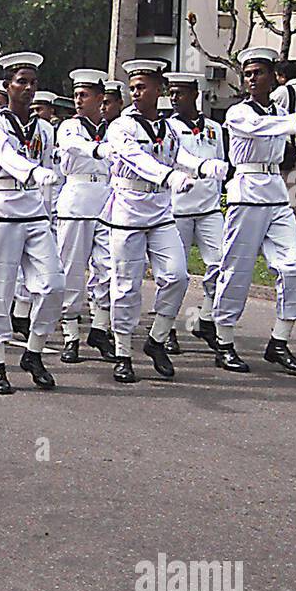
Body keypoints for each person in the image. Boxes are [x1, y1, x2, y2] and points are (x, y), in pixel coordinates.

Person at [100, 59, 218, 384]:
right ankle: (123, 352)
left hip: (160, 210)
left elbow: (180, 155)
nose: (136, 93)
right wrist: (169, 176)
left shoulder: (168, 127)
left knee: (178, 276)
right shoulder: (121, 126)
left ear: (159, 90)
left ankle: (157, 339)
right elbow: (136, 159)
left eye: (142, 87)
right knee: (126, 286)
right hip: (128, 210)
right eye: (132, 87)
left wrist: (206, 167)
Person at [213, 47, 296, 375]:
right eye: (247, 74)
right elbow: (262, 127)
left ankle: (279, 341)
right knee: (237, 270)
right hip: (247, 190)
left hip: (275, 191)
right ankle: (223, 341)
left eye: (258, 73)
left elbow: (281, 128)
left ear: (272, 76)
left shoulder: (279, 109)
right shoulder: (238, 112)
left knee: (295, 267)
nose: (251, 79)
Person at [0, 51, 64, 394]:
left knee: (53, 285)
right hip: (2, 207)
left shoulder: (44, 127)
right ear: (6, 86)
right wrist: (32, 172)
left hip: (35, 210)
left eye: (33, 82)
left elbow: (47, 167)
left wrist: (48, 207)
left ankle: (34, 351)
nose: (28, 88)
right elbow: (5, 156)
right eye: (21, 82)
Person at [53, 68, 115, 363]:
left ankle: (100, 328)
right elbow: (71, 146)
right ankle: (70, 333)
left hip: (105, 199)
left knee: (108, 267)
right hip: (77, 199)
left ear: (100, 99)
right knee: (72, 269)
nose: (78, 100)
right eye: (76, 95)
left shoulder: (112, 128)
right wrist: (98, 150)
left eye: (84, 95)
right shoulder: (70, 127)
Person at [165, 72, 227, 354]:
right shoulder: (166, 128)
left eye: (180, 92)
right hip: (177, 209)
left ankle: (205, 318)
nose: (174, 98)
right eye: (171, 92)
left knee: (220, 265)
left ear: (195, 94)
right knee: (173, 273)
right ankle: (165, 328)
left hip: (209, 209)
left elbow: (222, 163)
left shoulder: (214, 127)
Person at [272, 60, 296, 193]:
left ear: (282, 75)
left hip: (288, 143)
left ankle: (291, 213)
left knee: (285, 185)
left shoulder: (282, 91)